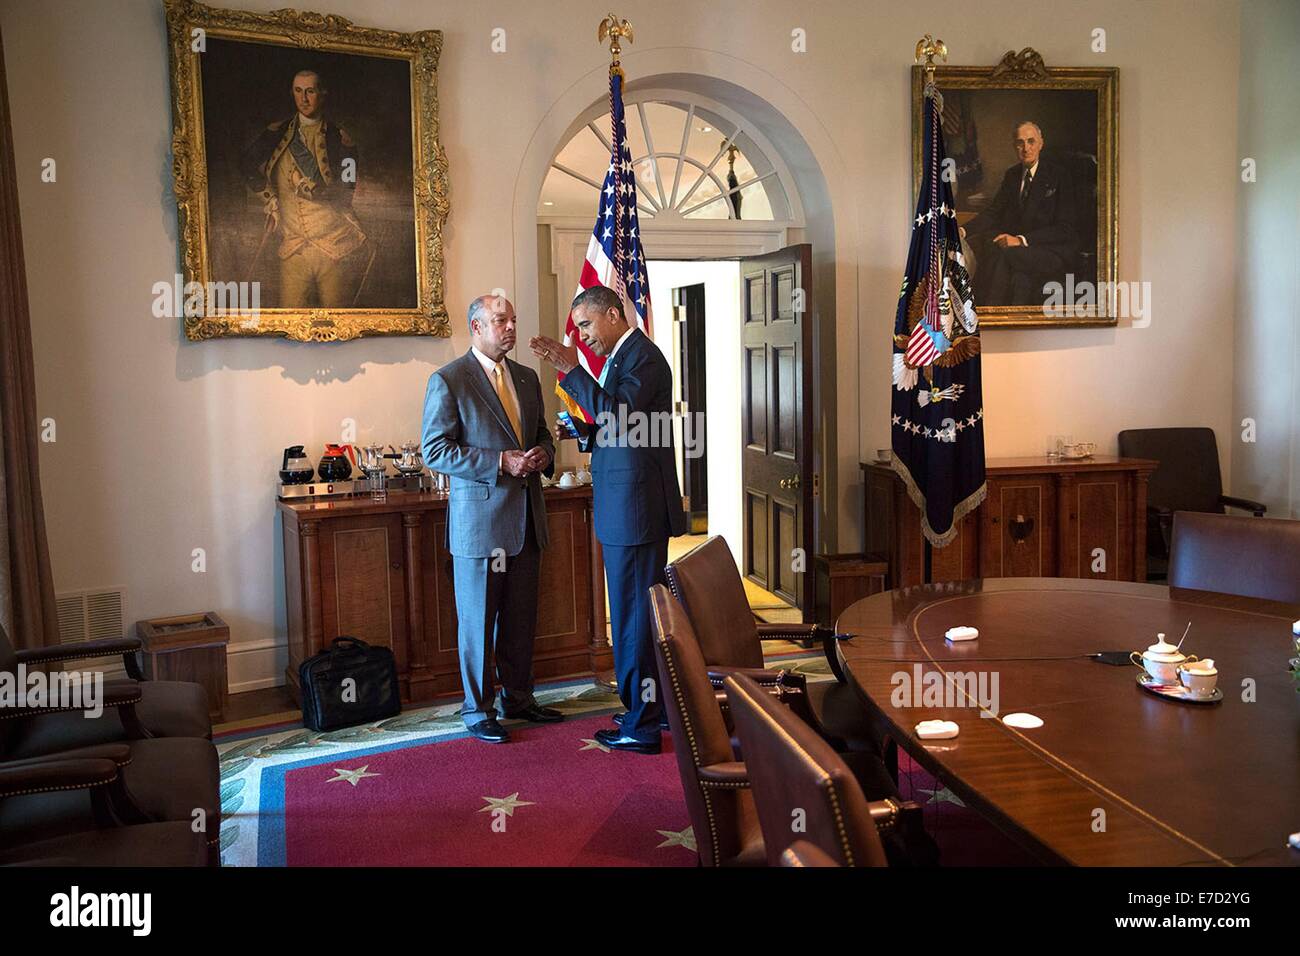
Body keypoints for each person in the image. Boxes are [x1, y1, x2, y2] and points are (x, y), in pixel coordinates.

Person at [530, 286, 687, 754]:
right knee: (633, 614)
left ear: (613, 315)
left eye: (585, 326)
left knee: (634, 616)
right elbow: (620, 425)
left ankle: (639, 727)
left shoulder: (644, 356)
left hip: (635, 509)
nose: (581, 336)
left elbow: (618, 415)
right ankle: (647, 708)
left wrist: (571, 370)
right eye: (578, 329)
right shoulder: (625, 356)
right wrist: (582, 428)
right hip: (627, 504)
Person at [421, 294, 561, 744]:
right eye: (501, 320)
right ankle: (477, 709)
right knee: (478, 622)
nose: (511, 328)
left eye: (513, 320)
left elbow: (542, 434)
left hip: (527, 522)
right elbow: (436, 450)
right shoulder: (449, 380)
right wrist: (500, 462)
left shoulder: (526, 377)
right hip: (480, 526)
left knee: (521, 619)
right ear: (476, 327)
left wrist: (544, 453)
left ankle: (519, 698)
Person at [241, 69, 367, 308]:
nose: (304, 99)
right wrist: (268, 197)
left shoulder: (340, 139)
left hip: (334, 248)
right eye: (298, 91)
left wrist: (305, 186)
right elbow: (245, 163)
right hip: (293, 248)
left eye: (310, 91)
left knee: (338, 322)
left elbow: (345, 193)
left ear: (322, 94)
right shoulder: (277, 134)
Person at [961, 120, 1078, 306]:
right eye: (1020, 143)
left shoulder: (1059, 176)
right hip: (1023, 254)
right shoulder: (1012, 175)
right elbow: (994, 212)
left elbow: (1066, 229)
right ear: (1014, 146)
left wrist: (1021, 240)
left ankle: (986, 311)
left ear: (1041, 143)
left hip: (1051, 250)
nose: (1026, 148)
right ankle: (992, 318)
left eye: (1031, 142)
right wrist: (963, 231)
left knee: (1006, 255)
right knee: (1015, 274)